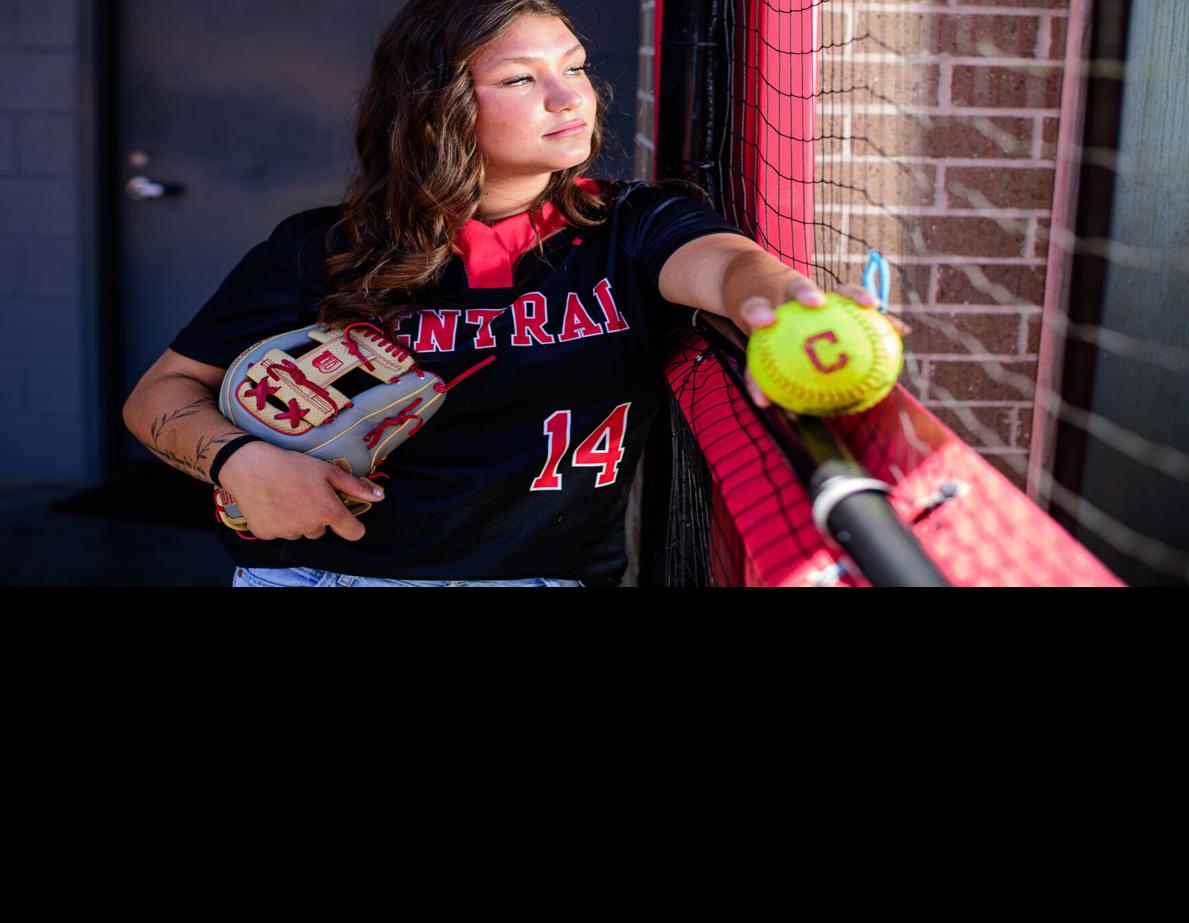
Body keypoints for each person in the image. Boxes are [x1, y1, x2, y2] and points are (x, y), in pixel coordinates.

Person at [121, 0, 888, 587]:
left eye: (575, 68)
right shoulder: (322, 245)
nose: (568, 97)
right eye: (521, 78)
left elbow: (725, 266)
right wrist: (237, 461)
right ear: (436, 108)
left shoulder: (630, 226)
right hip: (322, 572)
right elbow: (159, 394)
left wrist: (780, 300)